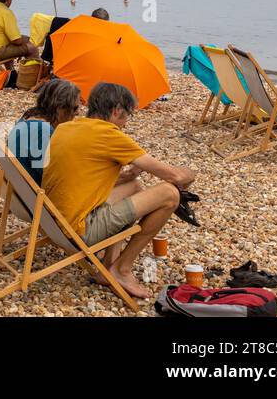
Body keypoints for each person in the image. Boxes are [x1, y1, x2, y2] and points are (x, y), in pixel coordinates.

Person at [42, 82, 197, 300]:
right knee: (170, 194)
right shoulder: (109, 135)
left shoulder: (67, 127)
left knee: (132, 187)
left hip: (52, 221)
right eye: (127, 116)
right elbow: (175, 177)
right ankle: (122, 269)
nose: (125, 124)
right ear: (116, 110)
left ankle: (106, 266)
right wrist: (191, 173)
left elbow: (80, 176)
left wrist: (130, 175)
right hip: (78, 230)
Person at [6, 78, 81, 186]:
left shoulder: (27, 119)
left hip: (17, 192)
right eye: (75, 108)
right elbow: (50, 176)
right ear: (59, 108)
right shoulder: (41, 130)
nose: (77, 113)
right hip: (34, 198)